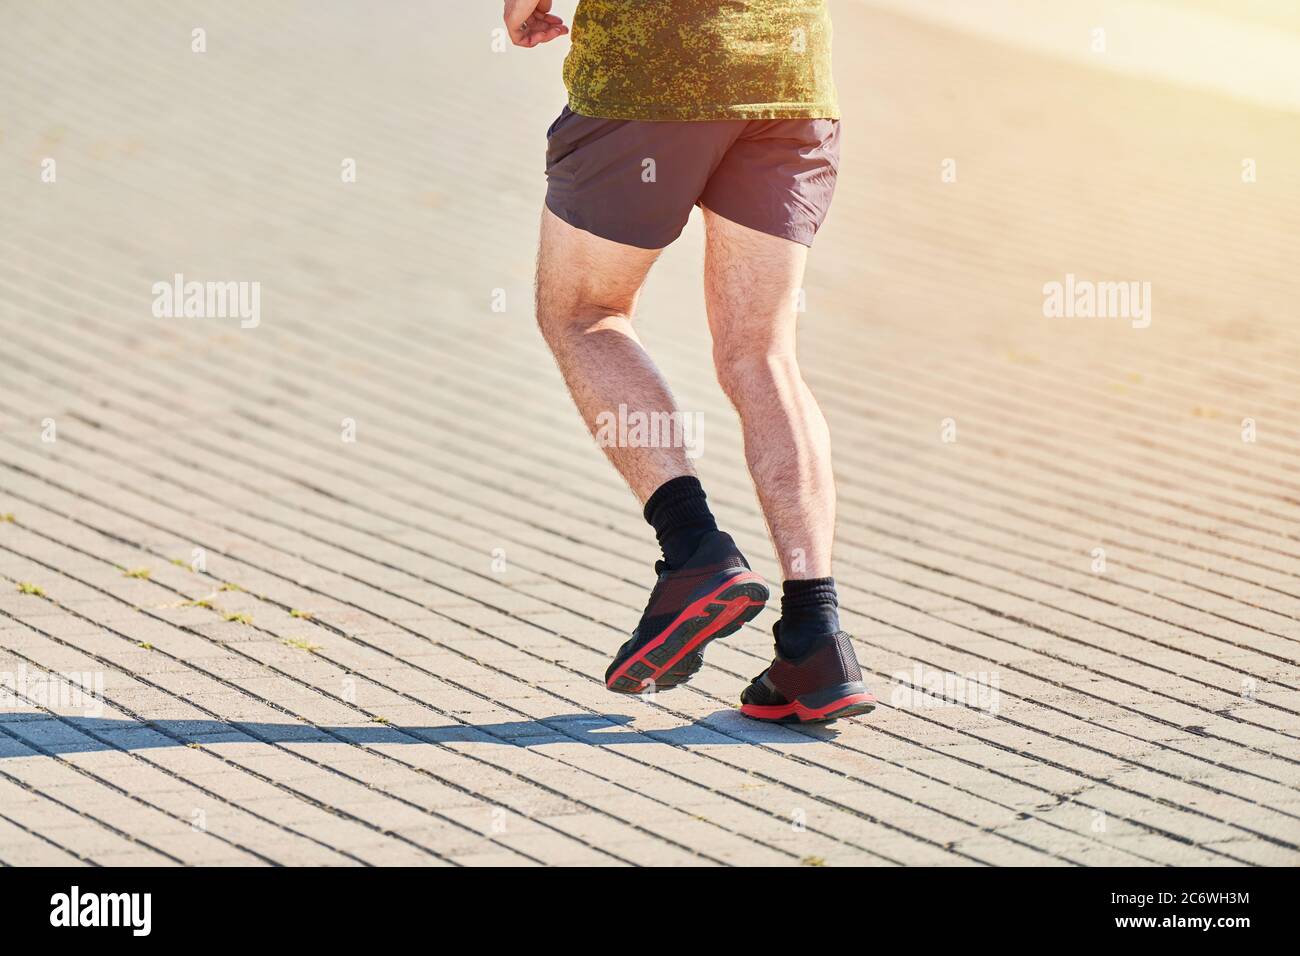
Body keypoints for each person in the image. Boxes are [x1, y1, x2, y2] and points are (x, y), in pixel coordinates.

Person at [505, 0, 874, 723]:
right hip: (789, 76)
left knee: (584, 313)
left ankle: (694, 547)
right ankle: (815, 633)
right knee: (763, 353)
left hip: (653, 75)